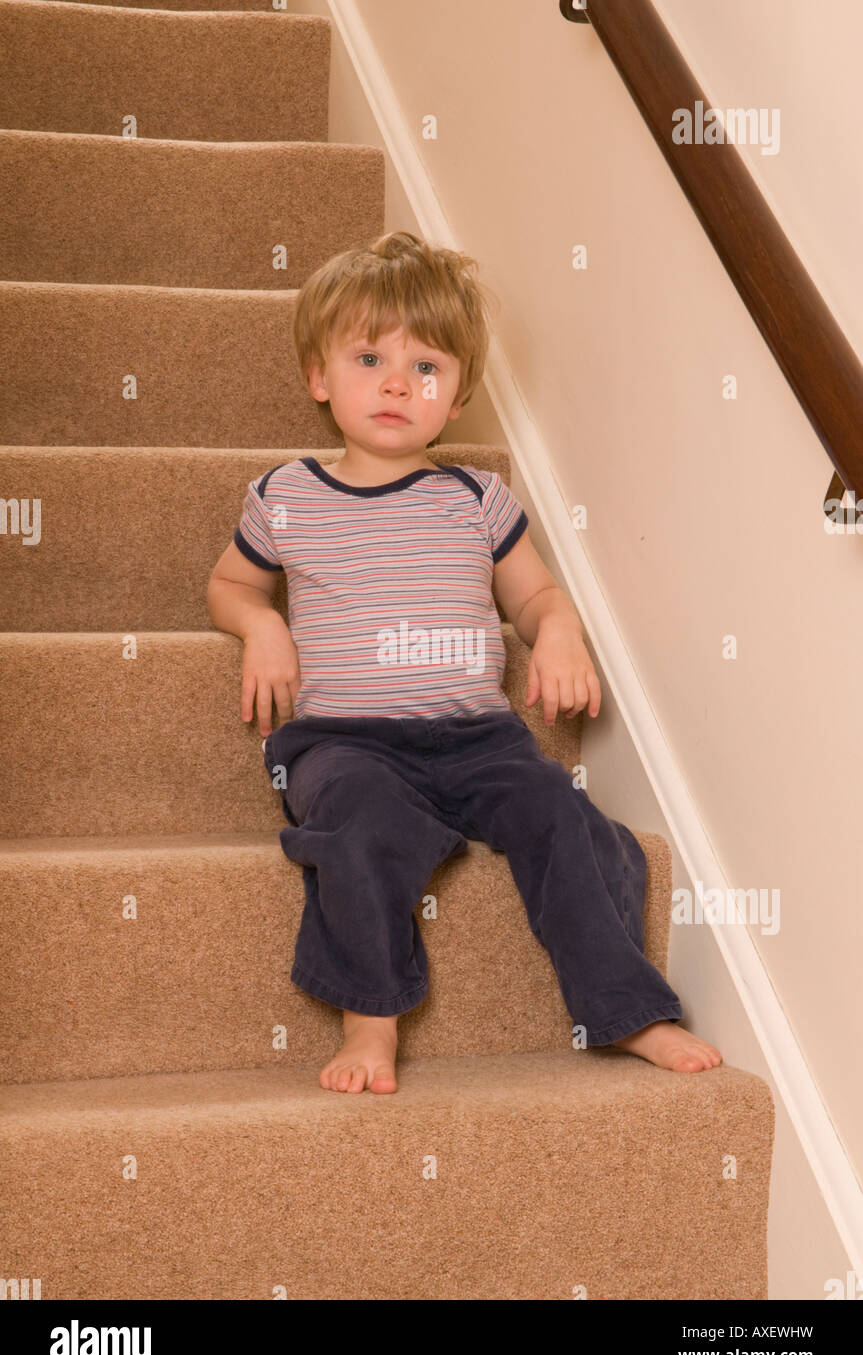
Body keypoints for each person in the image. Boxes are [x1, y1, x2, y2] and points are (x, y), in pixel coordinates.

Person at [207, 230, 722, 1094]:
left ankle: (629, 1010)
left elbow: (535, 598)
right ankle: (370, 1020)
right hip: (345, 739)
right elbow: (229, 584)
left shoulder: (476, 499)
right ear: (318, 378)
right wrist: (260, 627)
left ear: (457, 397)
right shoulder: (285, 494)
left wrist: (557, 632)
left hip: (479, 738)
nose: (398, 383)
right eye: (369, 358)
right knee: (358, 828)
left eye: (428, 369)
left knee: (565, 818)